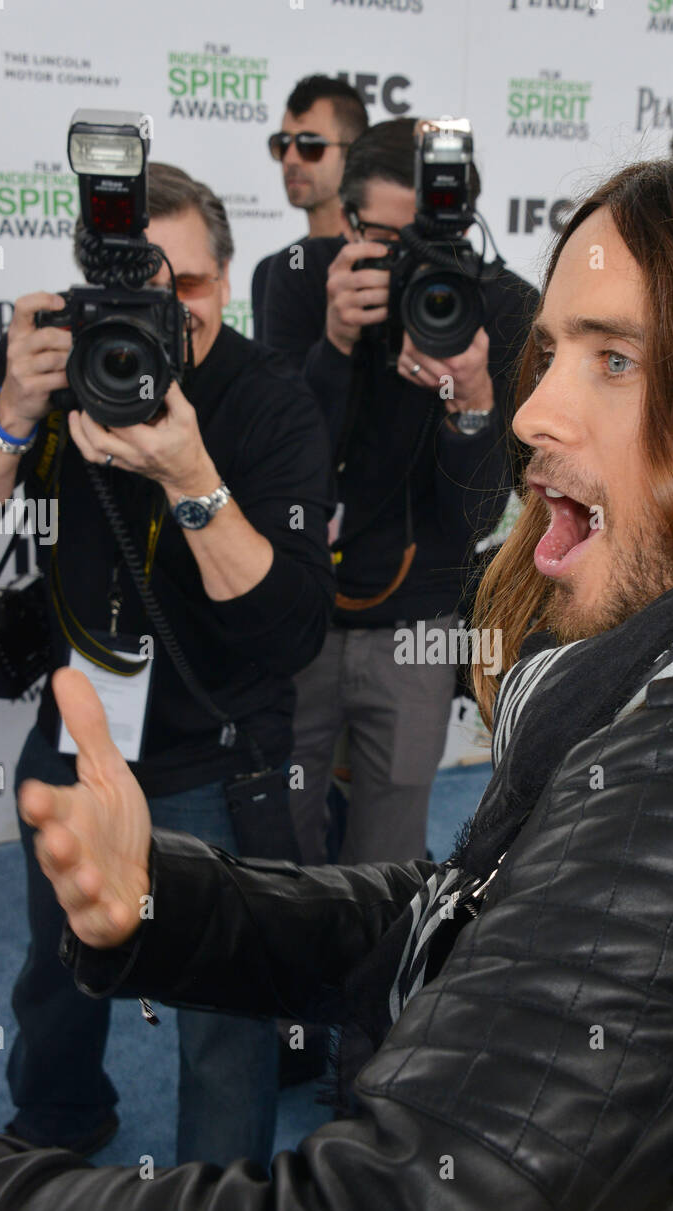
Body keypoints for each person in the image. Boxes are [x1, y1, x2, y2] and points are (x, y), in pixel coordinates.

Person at [0, 148, 673, 1211]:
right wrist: (171, 901)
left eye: (615, 359)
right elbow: (476, 920)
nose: (530, 411)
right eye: (550, 353)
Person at [0, 163, 334, 1168]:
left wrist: (190, 476)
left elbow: (288, 629)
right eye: (138, 290)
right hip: (73, 729)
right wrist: (12, 406)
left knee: (222, 1009)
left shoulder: (271, 404)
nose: (164, 313)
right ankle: (57, 1122)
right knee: (55, 970)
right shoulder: (60, 365)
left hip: (214, 748)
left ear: (223, 282)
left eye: (184, 287)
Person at [263, 117, 538, 866]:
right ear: (346, 219)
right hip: (299, 609)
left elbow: (480, 515)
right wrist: (335, 346)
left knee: (388, 854)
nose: (409, 263)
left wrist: (474, 402)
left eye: (427, 242)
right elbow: (284, 473)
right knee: (278, 837)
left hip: (419, 624)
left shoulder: (507, 308)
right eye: (386, 240)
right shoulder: (293, 279)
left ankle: (374, 986)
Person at [251, 75, 369, 339]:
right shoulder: (270, 271)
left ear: (354, 154)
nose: (291, 159)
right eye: (282, 145)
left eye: (310, 146)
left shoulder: (375, 265)